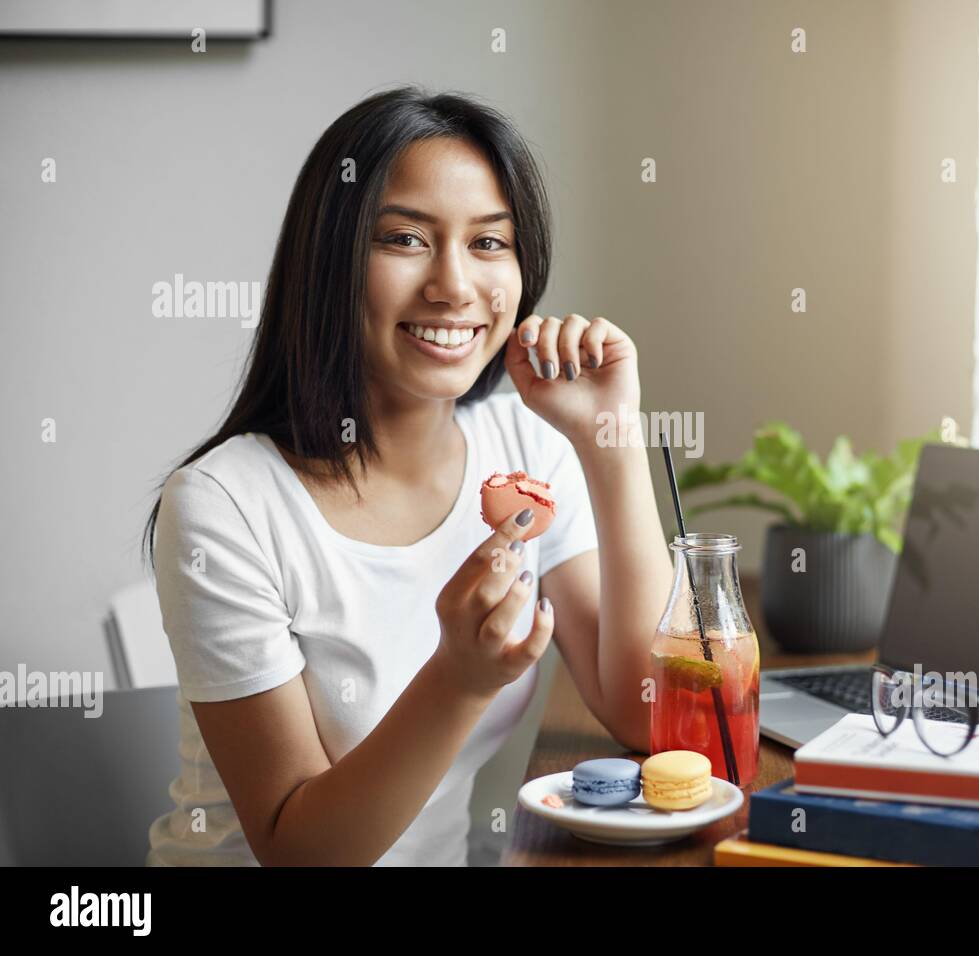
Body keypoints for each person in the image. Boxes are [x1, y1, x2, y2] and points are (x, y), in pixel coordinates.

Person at [139, 86, 673, 866]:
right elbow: (300, 851)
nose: (455, 286)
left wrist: (611, 442)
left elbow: (646, 713)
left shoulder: (525, 442)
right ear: (331, 262)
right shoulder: (225, 507)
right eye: (405, 239)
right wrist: (458, 679)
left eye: (490, 243)